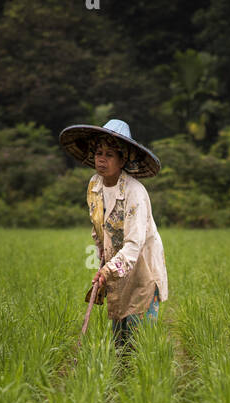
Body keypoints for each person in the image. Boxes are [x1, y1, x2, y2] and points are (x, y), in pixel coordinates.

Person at [59, 118, 168, 351]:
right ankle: (119, 379)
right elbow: (97, 224)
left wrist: (107, 270)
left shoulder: (134, 192)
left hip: (141, 267)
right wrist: (101, 249)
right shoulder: (94, 185)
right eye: (99, 152)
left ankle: (141, 383)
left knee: (139, 341)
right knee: (119, 334)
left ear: (122, 159)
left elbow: (134, 244)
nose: (102, 159)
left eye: (109, 154)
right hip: (118, 265)